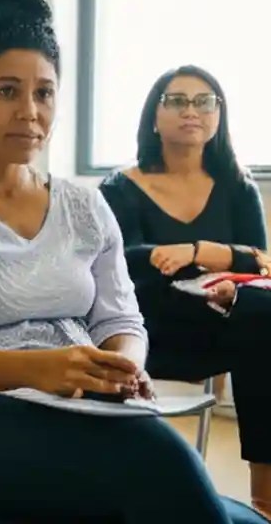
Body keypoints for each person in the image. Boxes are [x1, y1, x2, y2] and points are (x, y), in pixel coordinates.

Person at [0, 0, 265, 523]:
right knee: (160, 468)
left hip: (82, 404)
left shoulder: (84, 207)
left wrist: (124, 367)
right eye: (7, 91)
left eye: (44, 92)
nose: (30, 111)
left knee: (167, 474)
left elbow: (121, 318)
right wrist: (46, 368)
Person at [99, 65, 271, 517]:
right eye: (176, 100)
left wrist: (201, 251)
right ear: (154, 117)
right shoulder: (121, 187)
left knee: (264, 310)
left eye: (203, 101)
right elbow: (127, 260)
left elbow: (262, 263)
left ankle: (264, 501)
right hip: (146, 331)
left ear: (219, 115)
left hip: (221, 325)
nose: (190, 111)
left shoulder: (238, 185)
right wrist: (215, 258)